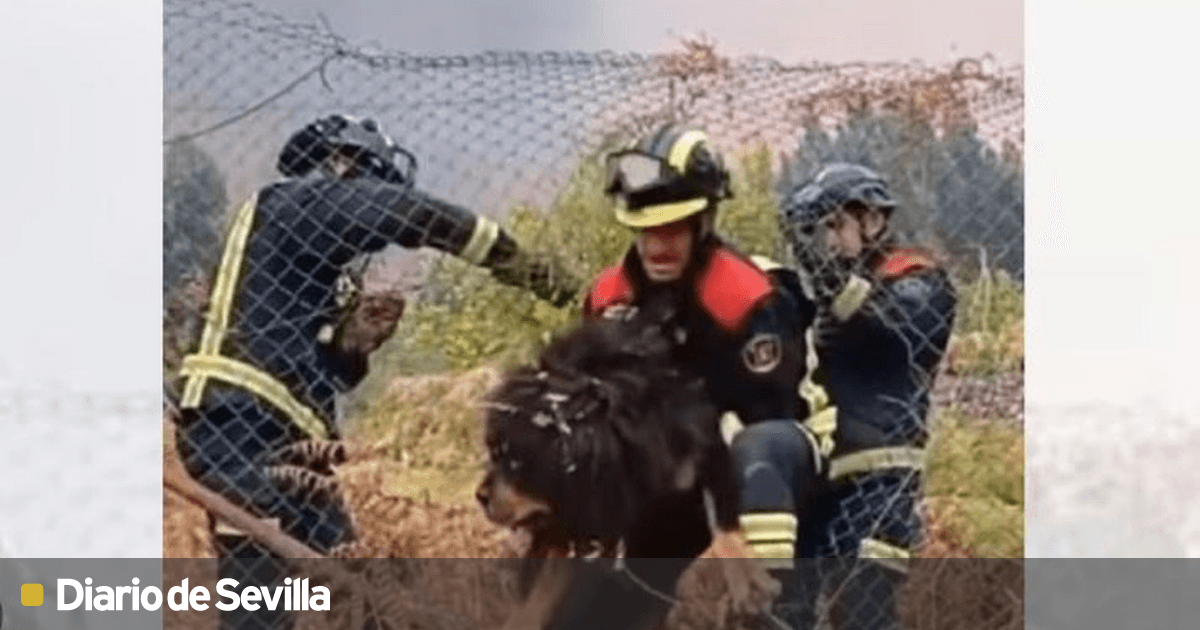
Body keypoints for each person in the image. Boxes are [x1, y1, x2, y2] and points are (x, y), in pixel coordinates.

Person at [173, 113, 580, 630]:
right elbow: (415, 215)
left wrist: (353, 344)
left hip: (281, 441)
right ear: (345, 166)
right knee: (259, 605)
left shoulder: (296, 256)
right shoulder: (302, 201)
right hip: (240, 427)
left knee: (359, 588)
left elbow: (321, 374)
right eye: (372, 188)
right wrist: (525, 267)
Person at [578, 123, 820, 628]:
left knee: (757, 450)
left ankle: (769, 609)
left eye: (672, 229)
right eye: (645, 230)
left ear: (703, 222)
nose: (656, 247)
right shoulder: (608, 301)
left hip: (770, 461)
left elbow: (766, 410)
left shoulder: (749, 298)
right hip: (671, 468)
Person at [773, 162, 958, 630]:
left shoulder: (918, 278)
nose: (828, 242)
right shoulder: (829, 298)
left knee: (862, 608)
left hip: (882, 480)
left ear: (873, 219)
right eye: (820, 230)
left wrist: (834, 288)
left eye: (836, 225)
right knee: (788, 609)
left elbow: (894, 334)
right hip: (821, 477)